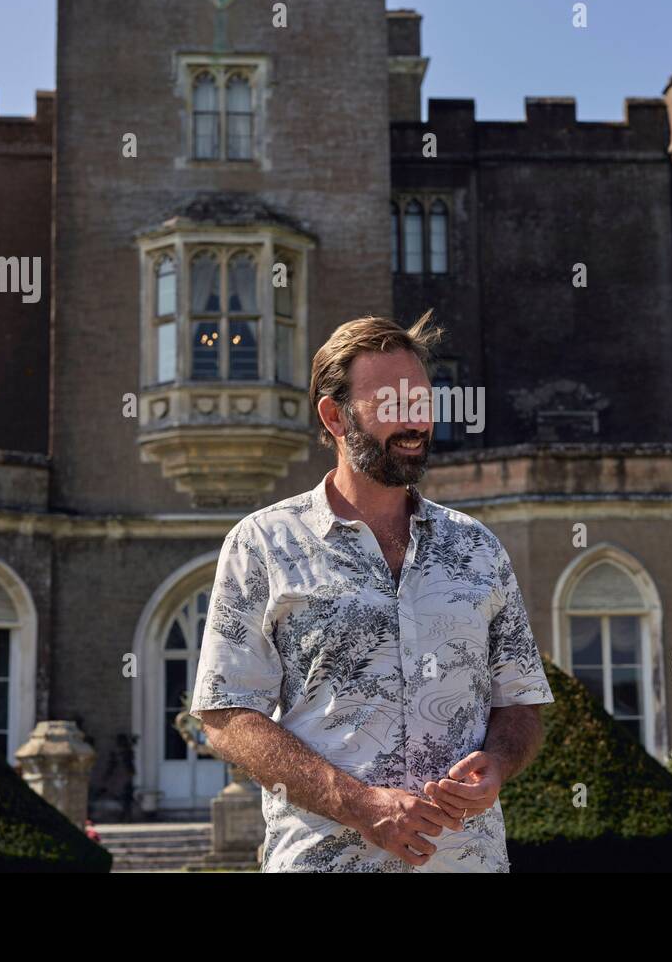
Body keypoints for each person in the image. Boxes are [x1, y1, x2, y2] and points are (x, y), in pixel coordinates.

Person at [189, 310, 553, 872]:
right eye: (389, 404)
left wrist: (499, 763)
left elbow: (519, 702)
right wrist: (359, 806)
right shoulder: (263, 543)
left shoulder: (478, 549)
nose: (414, 422)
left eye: (421, 402)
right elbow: (227, 716)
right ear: (335, 417)